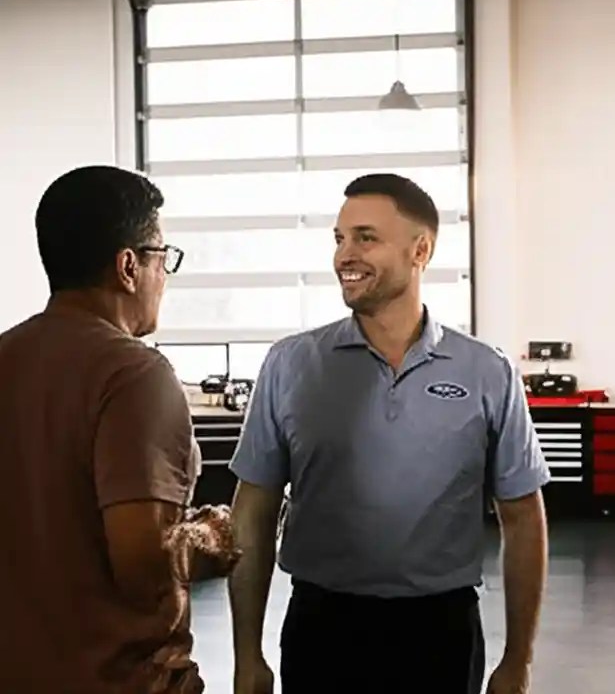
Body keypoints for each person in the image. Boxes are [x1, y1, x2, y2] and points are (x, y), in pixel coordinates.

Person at [228, 173, 550, 694]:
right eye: (339, 238)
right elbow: (254, 510)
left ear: (420, 250)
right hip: (321, 629)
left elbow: (523, 518)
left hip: (441, 634)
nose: (344, 255)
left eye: (365, 237)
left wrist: (519, 661)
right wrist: (247, 656)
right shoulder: (291, 364)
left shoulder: (486, 371)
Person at [0, 165, 239, 693]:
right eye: (163, 258)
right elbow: (144, 569)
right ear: (129, 266)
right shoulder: (135, 375)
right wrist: (216, 534)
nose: (164, 277)